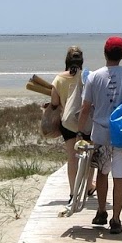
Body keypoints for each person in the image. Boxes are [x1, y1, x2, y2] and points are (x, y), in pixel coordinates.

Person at [78, 35, 122, 235]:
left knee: (102, 173)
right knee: (119, 177)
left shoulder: (94, 76)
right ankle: (116, 219)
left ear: (105, 53)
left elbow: (86, 108)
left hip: (101, 133)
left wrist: (81, 132)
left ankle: (102, 211)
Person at [50, 45, 89, 200]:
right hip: (84, 121)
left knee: (72, 157)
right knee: (87, 156)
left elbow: (54, 102)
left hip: (67, 122)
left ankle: (73, 192)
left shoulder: (59, 79)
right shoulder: (87, 76)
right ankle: (86, 188)